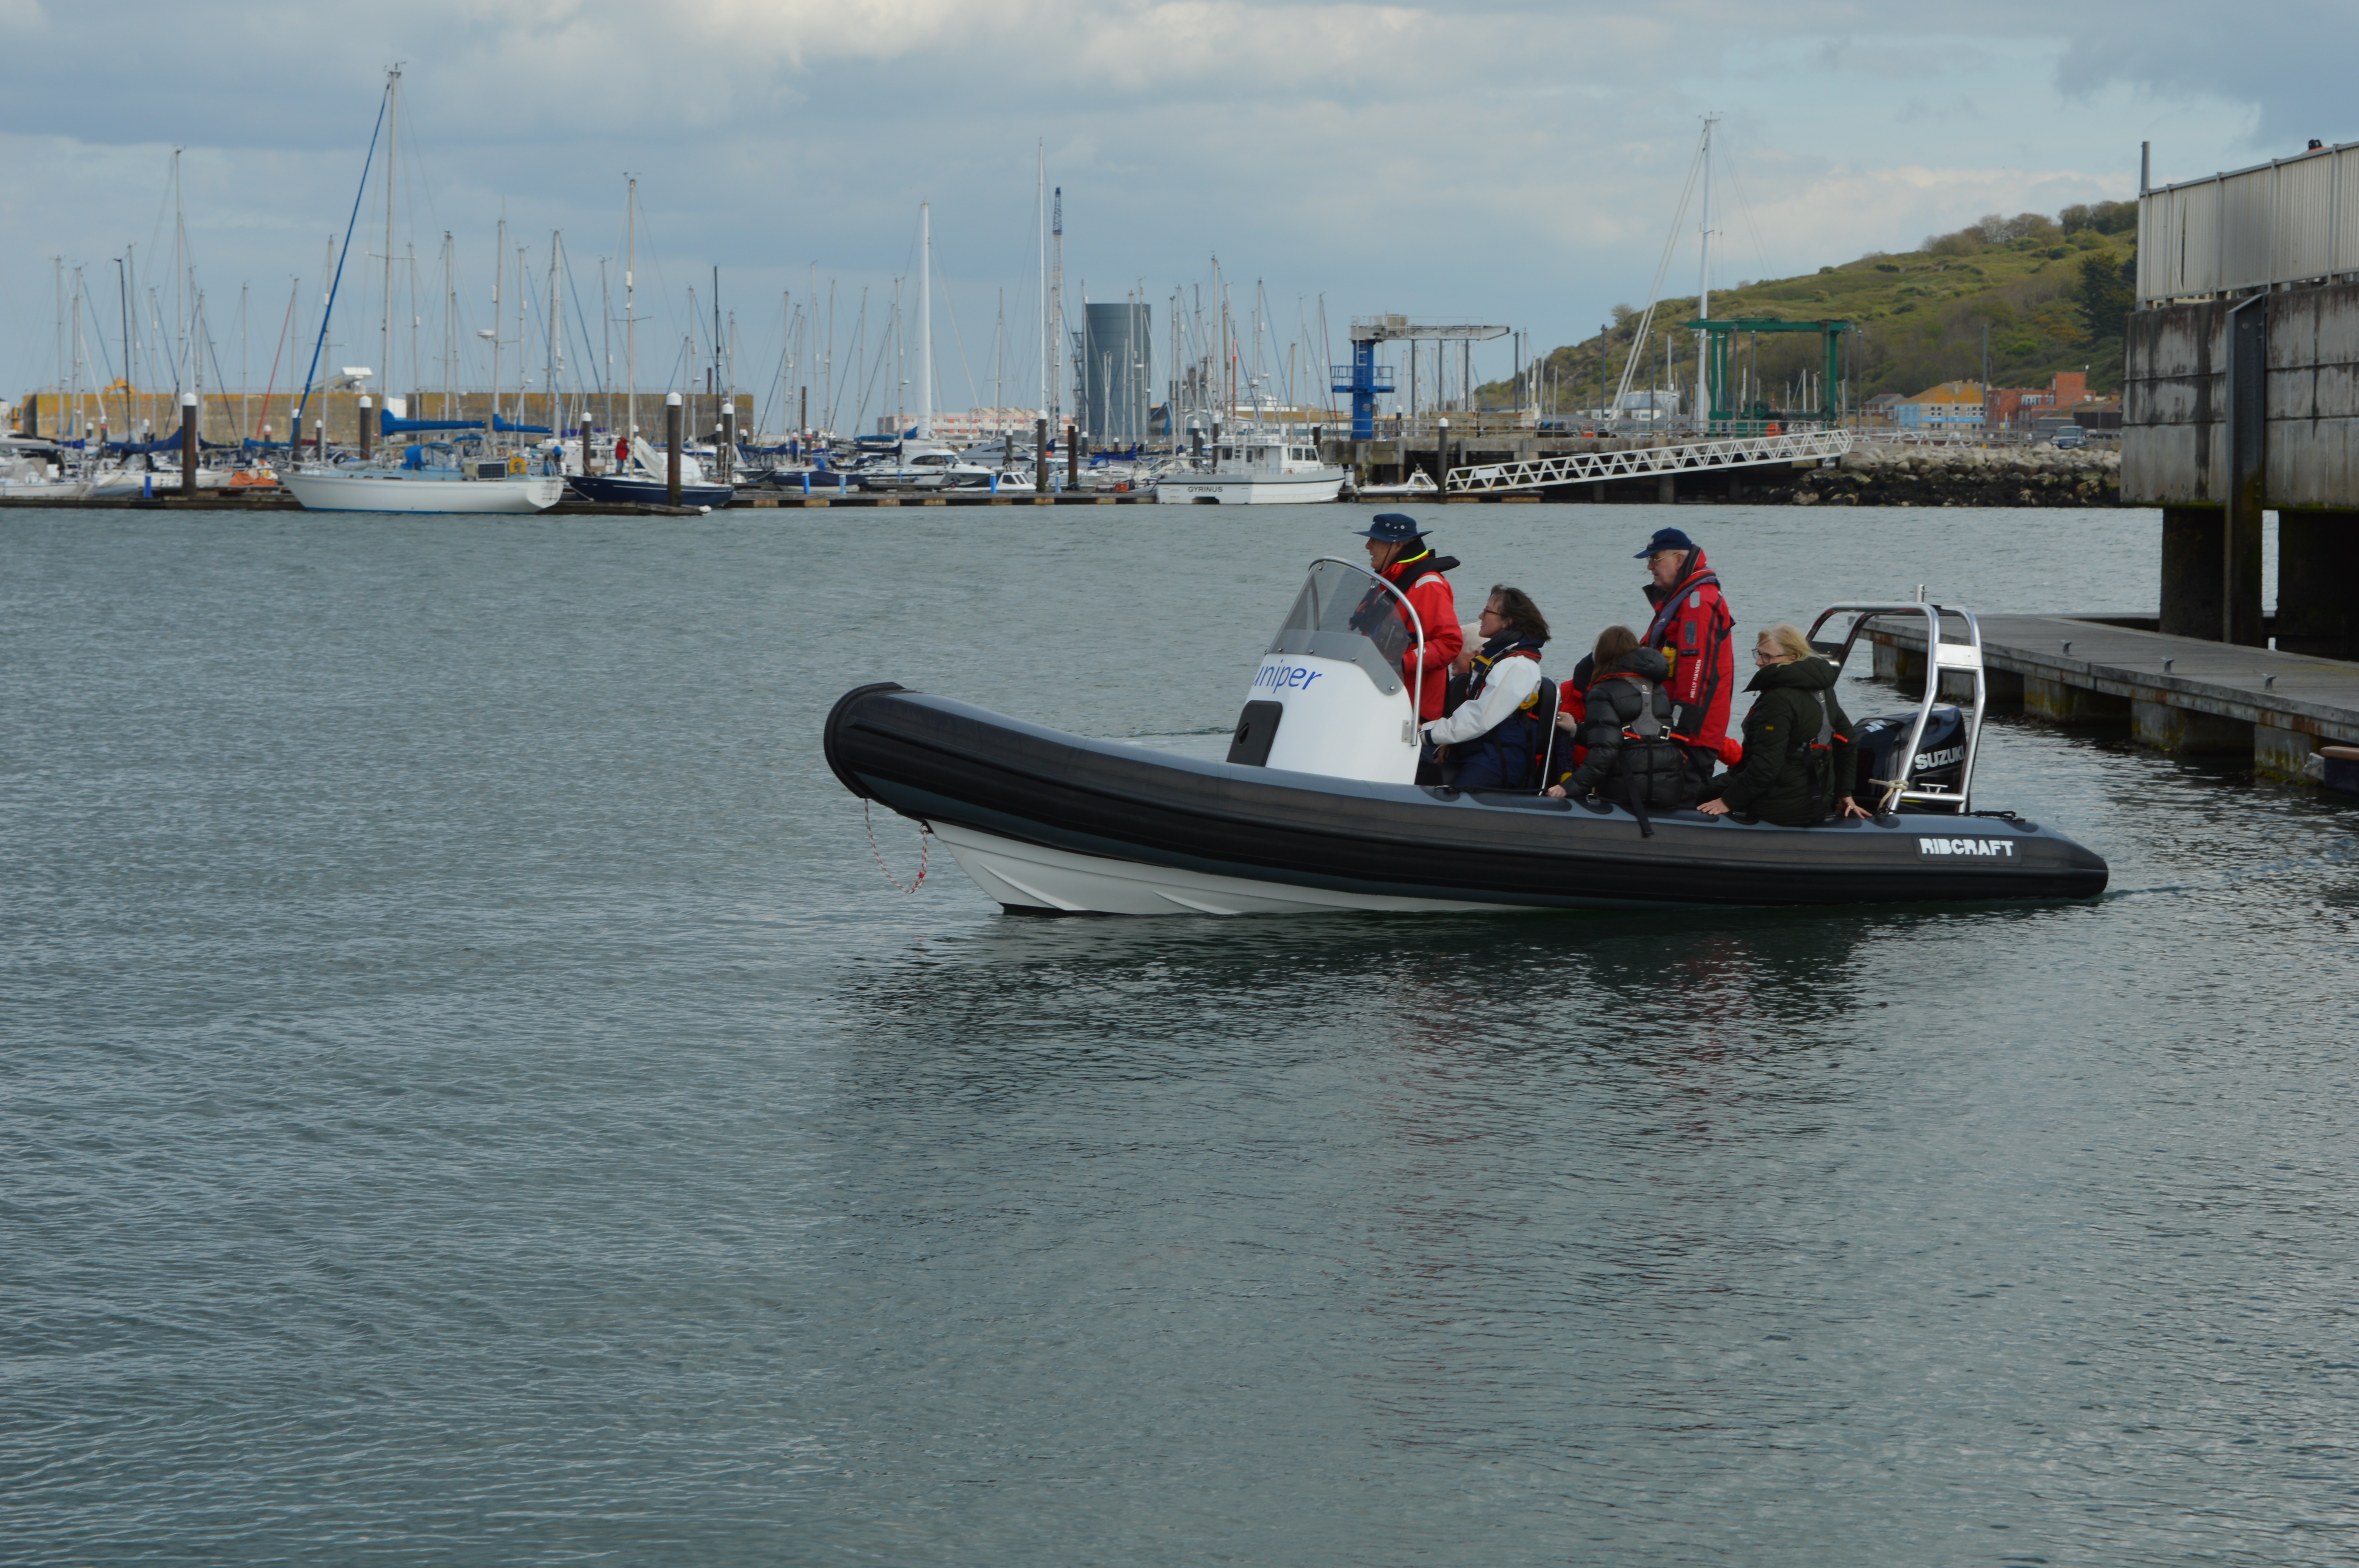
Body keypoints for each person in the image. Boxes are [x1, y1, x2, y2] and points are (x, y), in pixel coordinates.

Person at [1697, 623, 1870, 825]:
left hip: (1781, 805)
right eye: (1758, 654)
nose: (1759, 662)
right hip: (1817, 800)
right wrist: (1844, 793)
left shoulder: (1778, 699)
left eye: (1767, 657)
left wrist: (1728, 801)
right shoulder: (1823, 691)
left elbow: (1766, 767)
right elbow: (1847, 740)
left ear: (1793, 658)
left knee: (1700, 792)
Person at [1546, 625, 1691, 831]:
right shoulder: (1658, 690)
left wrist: (1568, 787)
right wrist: (1576, 730)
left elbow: (1605, 750)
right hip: (1669, 788)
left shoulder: (1603, 691)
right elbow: (1629, 736)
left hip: (1628, 789)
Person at [1634, 526, 1738, 791]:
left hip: (1693, 735)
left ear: (1679, 560)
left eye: (1655, 559)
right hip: (1685, 728)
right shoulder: (1686, 599)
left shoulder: (1697, 603)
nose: (1650, 567)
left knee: (1683, 799)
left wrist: (1681, 734)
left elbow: (1696, 672)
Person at [1422, 586, 1553, 789]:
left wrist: (1427, 734)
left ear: (1506, 622)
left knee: (1455, 802)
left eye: (1488, 611)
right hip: (1479, 751)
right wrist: (1447, 742)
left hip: (1497, 760)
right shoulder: (1499, 658)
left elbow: (1480, 718)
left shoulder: (1518, 666)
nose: (1481, 615)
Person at [1354, 514, 1461, 725]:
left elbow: (1450, 643)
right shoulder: (1386, 581)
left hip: (1411, 712)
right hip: (1380, 698)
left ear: (1397, 546)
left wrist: (1401, 663)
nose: (1368, 546)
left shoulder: (1428, 584)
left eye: (1375, 540)